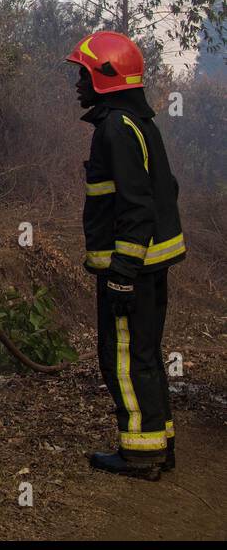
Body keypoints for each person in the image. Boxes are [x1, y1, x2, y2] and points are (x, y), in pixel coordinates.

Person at [66, 31, 185, 480]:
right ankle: (160, 441)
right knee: (147, 353)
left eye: (84, 74)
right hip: (151, 265)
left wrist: (121, 272)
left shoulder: (115, 130)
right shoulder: (140, 124)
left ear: (106, 76)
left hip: (131, 268)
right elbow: (164, 192)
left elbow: (136, 207)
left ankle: (139, 453)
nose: (78, 84)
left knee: (123, 357)